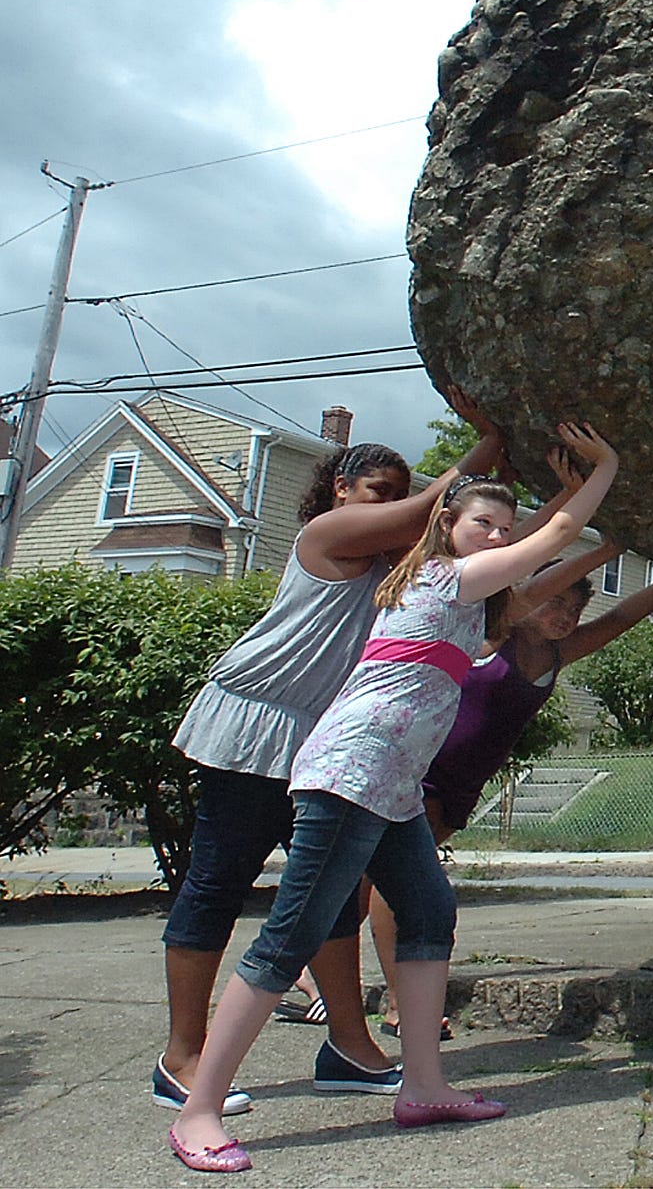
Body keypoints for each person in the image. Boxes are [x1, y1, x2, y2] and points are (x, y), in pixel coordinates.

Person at [167, 424, 619, 1174]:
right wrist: (606, 469)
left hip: (395, 785)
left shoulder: (467, 596)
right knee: (294, 931)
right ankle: (199, 1109)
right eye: (482, 522)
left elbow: (540, 542)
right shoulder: (442, 578)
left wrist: (565, 502)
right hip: (353, 771)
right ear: (444, 524)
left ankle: (423, 1084)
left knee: (429, 910)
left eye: (504, 527)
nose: (499, 534)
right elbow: (558, 533)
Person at [155, 392, 503, 1118]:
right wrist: (491, 440)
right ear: (342, 490)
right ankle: (182, 1055)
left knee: (336, 892)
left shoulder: (405, 572)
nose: (395, 508)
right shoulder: (327, 533)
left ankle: (348, 1041)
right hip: (257, 723)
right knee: (218, 883)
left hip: (334, 745)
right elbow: (426, 515)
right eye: (380, 493)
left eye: (400, 496)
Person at [370, 540, 653, 1038]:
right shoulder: (494, 633)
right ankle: (400, 1002)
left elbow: (621, 617)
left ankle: (333, 984)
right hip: (418, 771)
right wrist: (611, 543)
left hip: (462, 785)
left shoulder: (559, 653)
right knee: (403, 883)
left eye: (575, 607)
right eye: (555, 600)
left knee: (368, 880)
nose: (565, 614)